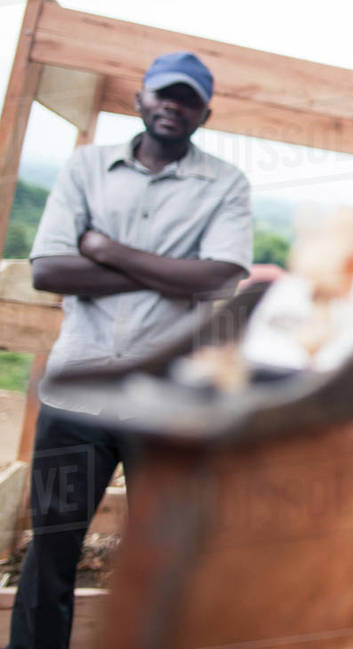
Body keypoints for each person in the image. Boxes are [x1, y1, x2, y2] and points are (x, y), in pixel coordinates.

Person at [8, 51, 252, 649]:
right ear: (141, 99)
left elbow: (219, 279)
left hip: (165, 406)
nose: (174, 106)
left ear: (205, 113)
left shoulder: (225, 183)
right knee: (52, 551)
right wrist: (172, 273)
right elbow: (49, 272)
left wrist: (108, 252)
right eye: (164, 94)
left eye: (188, 99)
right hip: (76, 400)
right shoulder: (86, 168)